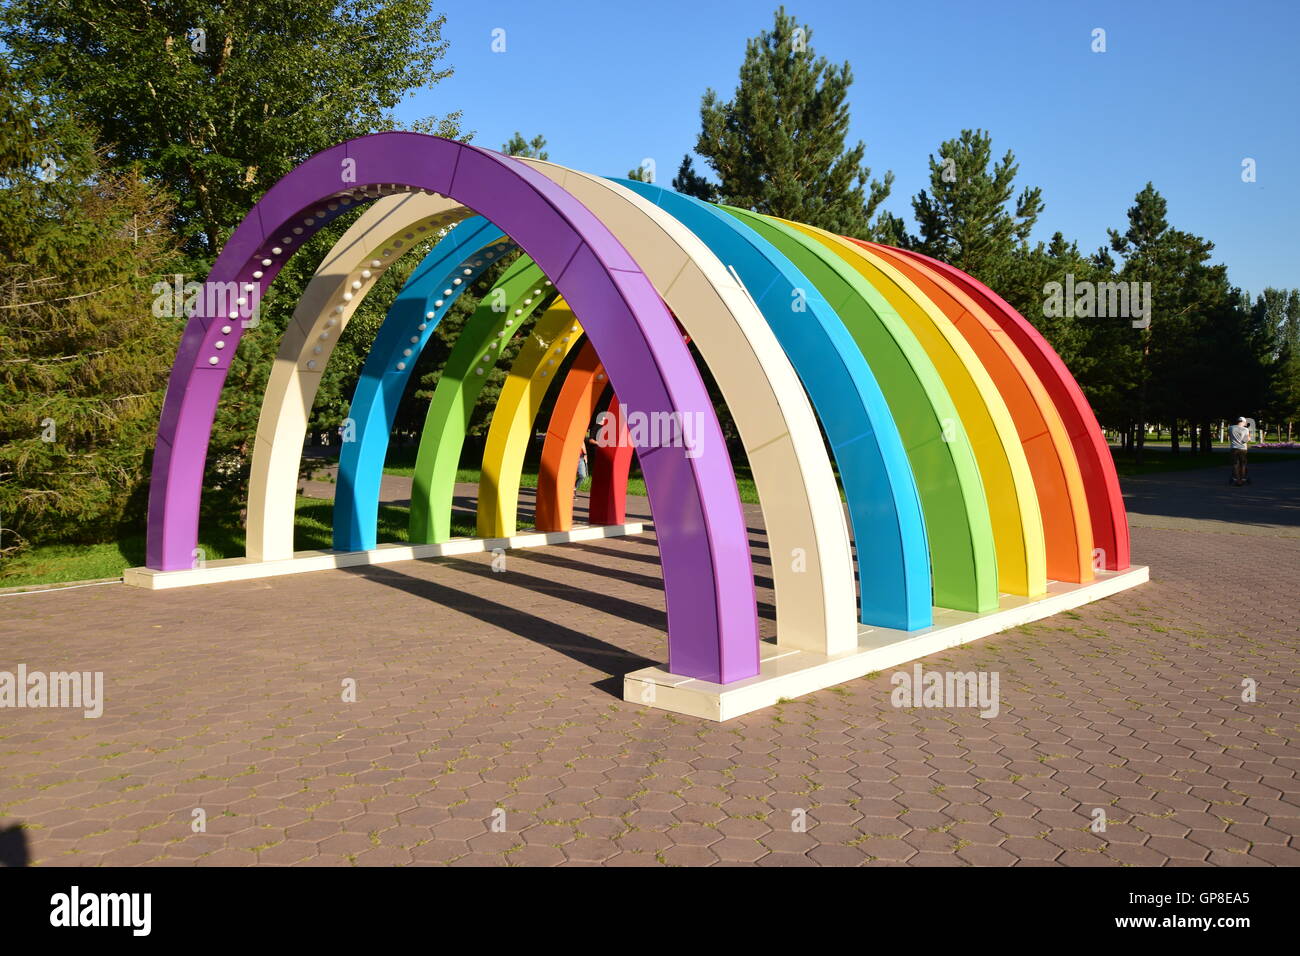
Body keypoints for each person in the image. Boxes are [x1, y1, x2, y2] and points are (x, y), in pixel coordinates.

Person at [1229, 417, 1251, 486]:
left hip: (1234, 448)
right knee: (1243, 464)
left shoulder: (1231, 428)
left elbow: (1230, 436)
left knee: (1235, 464)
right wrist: (1249, 438)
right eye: (1245, 422)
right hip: (1243, 449)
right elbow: (1245, 440)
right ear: (1242, 422)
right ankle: (1242, 479)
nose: (1245, 424)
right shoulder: (1245, 429)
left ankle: (1238, 480)